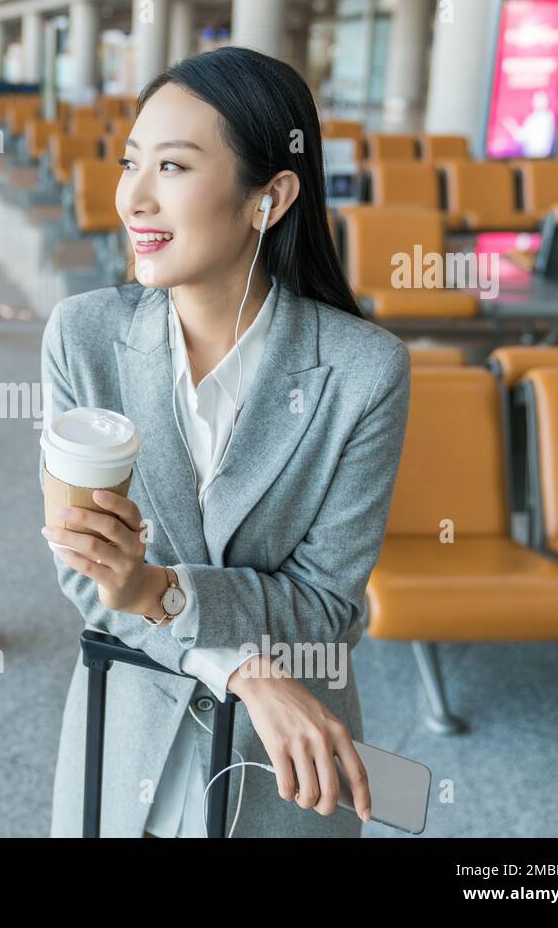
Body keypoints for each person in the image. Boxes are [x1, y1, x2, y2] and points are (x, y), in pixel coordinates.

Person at [42, 48, 411, 837]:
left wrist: (158, 589)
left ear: (269, 198)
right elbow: (86, 573)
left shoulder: (363, 371)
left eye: (171, 167)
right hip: (124, 740)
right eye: (131, 161)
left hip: (282, 776)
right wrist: (239, 665)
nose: (134, 197)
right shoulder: (83, 336)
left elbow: (325, 607)